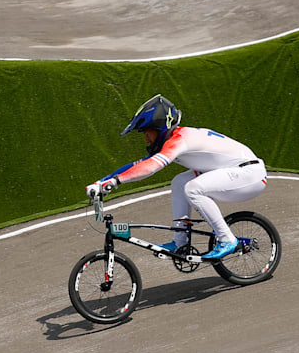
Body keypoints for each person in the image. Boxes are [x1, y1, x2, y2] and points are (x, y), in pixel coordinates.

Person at [85, 95, 267, 260]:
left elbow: (150, 168)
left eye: (147, 132)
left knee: (193, 188)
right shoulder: (173, 139)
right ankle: (180, 242)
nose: (146, 139)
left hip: (249, 174)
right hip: (233, 170)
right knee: (179, 182)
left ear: (160, 127)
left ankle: (228, 240)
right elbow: (137, 165)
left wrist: (115, 182)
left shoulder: (180, 140)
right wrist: (101, 182)